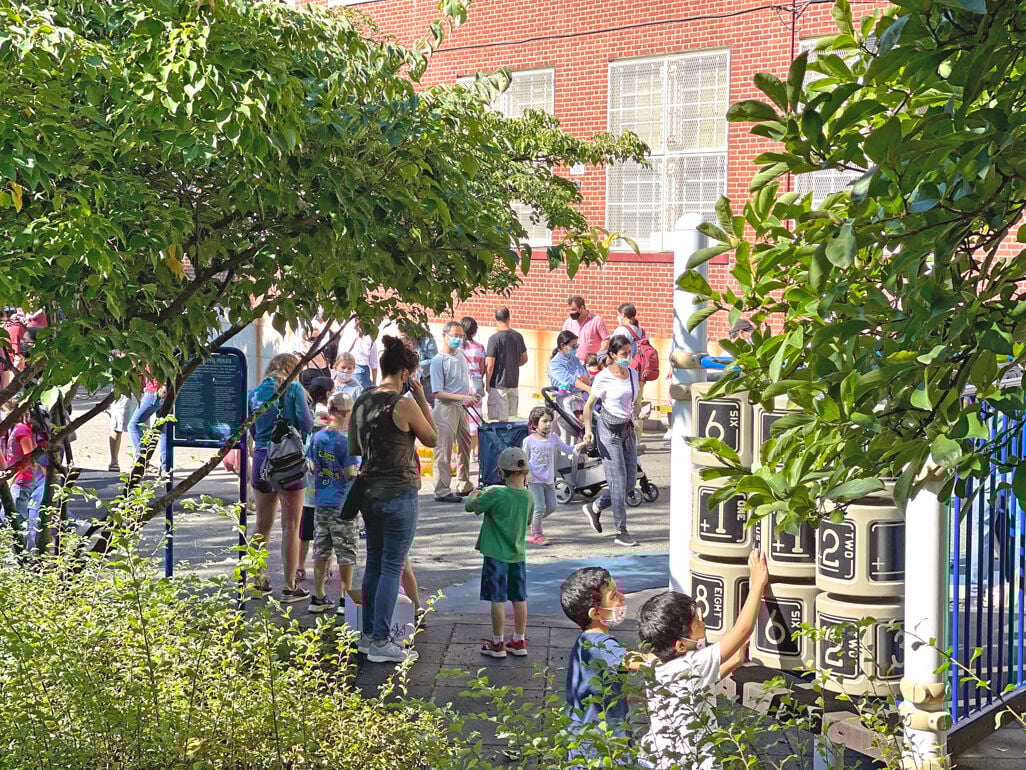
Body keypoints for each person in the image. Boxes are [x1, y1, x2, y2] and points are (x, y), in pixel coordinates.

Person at [638, 550, 769, 770]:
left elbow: (695, 685)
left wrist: (733, 662)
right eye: (697, 622)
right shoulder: (690, 664)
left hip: (657, 757)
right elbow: (742, 630)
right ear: (680, 644)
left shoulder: (656, 664)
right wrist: (757, 582)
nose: (703, 620)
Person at [350, 336, 437, 663]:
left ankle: (368, 634)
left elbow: (354, 448)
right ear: (404, 373)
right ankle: (383, 642)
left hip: (368, 491)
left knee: (373, 562)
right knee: (391, 565)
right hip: (399, 491)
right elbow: (432, 438)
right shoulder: (404, 403)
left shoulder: (362, 399)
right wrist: (422, 400)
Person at [248, 354, 314, 602]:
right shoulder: (294, 388)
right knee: (291, 525)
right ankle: (289, 585)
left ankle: (257, 580)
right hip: (289, 461)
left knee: (262, 525)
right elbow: (306, 424)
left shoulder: (254, 392)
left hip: (263, 457)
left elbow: (252, 428)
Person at [562, 567, 648, 742]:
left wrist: (632, 697)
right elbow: (635, 662)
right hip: (604, 742)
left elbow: (594, 689)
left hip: (583, 736)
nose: (622, 597)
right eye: (614, 595)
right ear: (596, 613)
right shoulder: (601, 645)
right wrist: (662, 655)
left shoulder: (584, 641)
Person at [466, 447, 533, 658]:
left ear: (501, 472)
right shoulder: (529, 496)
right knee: (519, 598)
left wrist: (473, 494)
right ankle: (519, 639)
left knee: (498, 599)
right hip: (518, 555)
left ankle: (498, 643)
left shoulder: (495, 493)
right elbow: (529, 521)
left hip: (495, 555)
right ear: (525, 472)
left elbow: (471, 507)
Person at [581, 334, 640, 547]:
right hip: (608, 431)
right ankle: (621, 531)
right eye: (623, 354)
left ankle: (595, 506)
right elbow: (588, 406)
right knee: (617, 481)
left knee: (630, 482)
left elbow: (635, 400)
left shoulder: (633, 374)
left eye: (629, 352)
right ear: (613, 355)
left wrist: (639, 414)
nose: (627, 357)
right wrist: (588, 430)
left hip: (627, 430)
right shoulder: (604, 377)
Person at [307, 392, 360, 614]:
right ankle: (343, 597)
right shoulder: (345, 441)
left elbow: (310, 464)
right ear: (347, 413)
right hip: (342, 503)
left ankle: (318, 596)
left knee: (322, 549)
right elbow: (349, 473)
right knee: (346, 551)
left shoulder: (317, 438)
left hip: (321, 500)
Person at [430, 320, 479, 503]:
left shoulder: (460, 355)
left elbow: (463, 381)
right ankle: (441, 489)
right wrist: (462, 398)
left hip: (462, 407)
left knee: (465, 446)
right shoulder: (438, 360)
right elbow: (438, 392)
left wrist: (470, 396)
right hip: (445, 409)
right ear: (444, 336)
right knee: (444, 450)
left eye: (461, 336)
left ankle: (463, 483)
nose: (458, 339)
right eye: (455, 336)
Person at [522, 407, 584, 546]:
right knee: (538, 507)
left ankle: (531, 521)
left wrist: (580, 445)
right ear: (535, 423)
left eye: (550, 421)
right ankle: (537, 534)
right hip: (535, 480)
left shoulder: (553, 438)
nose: (549, 424)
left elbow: (567, 449)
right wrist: (528, 474)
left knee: (551, 506)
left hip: (549, 479)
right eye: (544, 421)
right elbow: (524, 459)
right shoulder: (529, 441)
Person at [298, 377, 333, 584]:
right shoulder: (324, 413)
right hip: (324, 490)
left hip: (308, 491)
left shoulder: (309, 411)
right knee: (326, 534)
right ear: (328, 393)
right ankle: (326, 568)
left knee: (305, 534)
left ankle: (300, 567)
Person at [548, 330, 592, 447]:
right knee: (566, 436)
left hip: (578, 398)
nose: (576, 349)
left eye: (577, 346)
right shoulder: (555, 364)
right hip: (563, 400)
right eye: (573, 346)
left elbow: (587, 377)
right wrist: (588, 389)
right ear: (562, 345)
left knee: (581, 431)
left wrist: (583, 380)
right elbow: (570, 380)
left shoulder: (575, 359)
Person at [485, 306, 528, 421]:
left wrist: (487, 383)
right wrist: (513, 364)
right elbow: (524, 358)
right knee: (511, 418)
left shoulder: (494, 339)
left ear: (496, 319)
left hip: (498, 384)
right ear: (509, 318)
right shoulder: (518, 336)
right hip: (513, 382)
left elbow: (490, 365)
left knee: (500, 421)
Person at [128, 371, 167, 470]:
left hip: (154, 392)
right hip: (164, 393)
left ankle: (140, 461)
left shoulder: (153, 356)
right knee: (163, 430)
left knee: (133, 425)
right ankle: (165, 466)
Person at [461, 316, 486, 451]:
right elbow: (482, 369)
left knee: (463, 417)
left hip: (461, 383)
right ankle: (475, 451)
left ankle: (464, 449)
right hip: (476, 383)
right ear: (474, 331)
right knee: (476, 418)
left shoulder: (458, 347)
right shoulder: (479, 347)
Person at [562, 296, 610, 363]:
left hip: (591, 364)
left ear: (582, 307)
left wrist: (598, 356)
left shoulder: (596, 320)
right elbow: (563, 341)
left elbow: (606, 339)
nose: (571, 312)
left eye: (573, 309)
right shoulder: (568, 322)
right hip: (573, 363)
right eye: (570, 310)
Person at [339, 317, 379, 390]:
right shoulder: (370, 338)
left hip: (356, 370)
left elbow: (374, 364)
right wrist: (374, 382)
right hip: (360, 371)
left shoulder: (348, 334)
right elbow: (374, 364)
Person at [106, 392, 136, 473]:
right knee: (117, 425)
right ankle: (114, 460)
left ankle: (142, 461)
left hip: (143, 390)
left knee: (141, 426)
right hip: (123, 391)